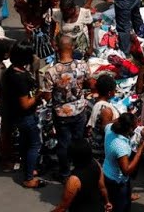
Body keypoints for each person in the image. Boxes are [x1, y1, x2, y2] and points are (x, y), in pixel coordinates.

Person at [42, 34, 92, 179]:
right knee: (79, 140)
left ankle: (65, 173)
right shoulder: (82, 65)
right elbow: (89, 83)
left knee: (63, 143)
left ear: (56, 48)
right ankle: (80, 170)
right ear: (72, 47)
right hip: (79, 109)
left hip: (61, 113)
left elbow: (46, 96)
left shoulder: (51, 72)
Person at [2, 44, 44, 188]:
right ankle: (29, 178)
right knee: (34, 144)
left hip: (17, 116)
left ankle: (29, 168)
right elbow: (25, 104)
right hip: (25, 116)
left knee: (25, 144)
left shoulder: (10, 72)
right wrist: (39, 94)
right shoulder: (19, 78)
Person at [103, 113, 144, 212]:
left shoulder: (109, 128)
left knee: (113, 202)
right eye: (135, 126)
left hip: (107, 171)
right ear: (130, 129)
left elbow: (108, 123)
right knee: (121, 207)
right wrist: (140, 150)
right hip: (117, 181)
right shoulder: (120, 146)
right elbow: (126, 171)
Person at [52, 143, 109, 212]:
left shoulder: (74, 180)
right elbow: (102, 188)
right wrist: (107, 202)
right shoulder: (96, 164)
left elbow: (62, 208)